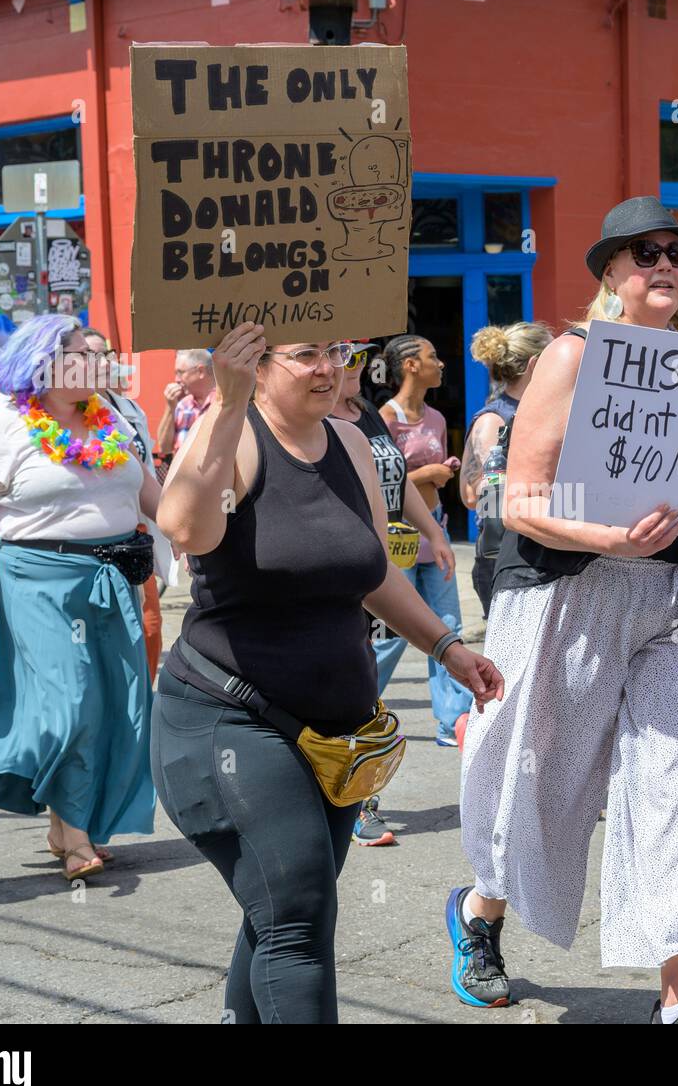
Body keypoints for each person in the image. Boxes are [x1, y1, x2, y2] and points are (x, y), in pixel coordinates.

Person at [152, 323, 503, 1024]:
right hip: (231, 720)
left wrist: (448, 649)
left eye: (337, 353)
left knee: (283, 913)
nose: (329, 368)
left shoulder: (348, 442)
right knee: (297, 919)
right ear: (258, 361)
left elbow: (373, 570)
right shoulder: (233, 433)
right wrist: (225, 401)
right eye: (307, 354)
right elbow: (185, 528)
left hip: (337, 734)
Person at [447, 197, 678, 1024]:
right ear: (609, 272)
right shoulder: (572, 356)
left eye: (676, 251)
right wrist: (612, 538)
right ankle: (480, 915)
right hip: (578, 587)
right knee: (541, 782)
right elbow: (520, 498)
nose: (664, 264)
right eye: (642, 252)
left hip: (677, 596)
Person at [0, 314, 162, 880]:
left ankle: (65, 820)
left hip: (113, 576)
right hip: (37, 580)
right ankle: (79, 837)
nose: (97, 362)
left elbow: (159, 500)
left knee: (120, 705)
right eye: (82, 353)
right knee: (71, 700)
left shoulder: (116, 421)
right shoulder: (2, 427)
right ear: (45, 364)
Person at [329, 341, 456, 847]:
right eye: (347, 358)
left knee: (364, 681)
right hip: (347, 568)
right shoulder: (312, 422)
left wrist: (436, 533)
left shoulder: (364, 413)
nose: (359, 366)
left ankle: (358, 799)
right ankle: (351, 802)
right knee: (356, 680)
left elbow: (399, 483)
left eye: (363, 357)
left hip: (386, 564)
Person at [378, 335, 473, 747]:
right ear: (412, 365)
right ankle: (358, 703)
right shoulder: (385, 418)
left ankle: (453, 721)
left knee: (447, 625)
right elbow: (380, 481)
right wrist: (428, 473)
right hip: (397, 534)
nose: (441, 363)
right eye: (433, 357)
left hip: (433, 525)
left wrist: (443, 471)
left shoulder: (434, 417)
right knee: (390, 630)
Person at [84, 327, 169, 682]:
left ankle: (142, 701)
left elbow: (145, 468)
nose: (103, 362)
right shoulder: (62, 413)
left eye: (106, 354)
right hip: (93, 535)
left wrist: (168, 522)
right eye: (91, 355)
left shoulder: (127, 409)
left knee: (149, 622)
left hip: (137, 532)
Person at [459, 322, 551, 618]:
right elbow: (477, 495)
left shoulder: (542, 411)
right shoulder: (495, 420)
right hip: (509, 561)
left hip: (540, 553)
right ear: (536, 363)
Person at [156, 348, 215, 460]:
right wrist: (170, 408)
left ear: (201, 371)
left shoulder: (223, 403)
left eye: (180, 373)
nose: (176, 379)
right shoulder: (182, 405)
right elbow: (164, 447)